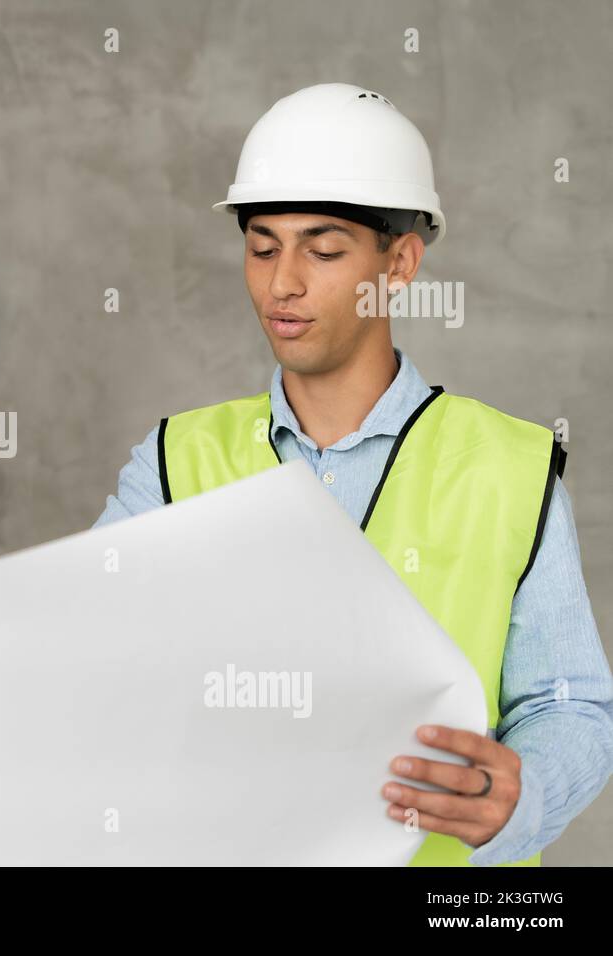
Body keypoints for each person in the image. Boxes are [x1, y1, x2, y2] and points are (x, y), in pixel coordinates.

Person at [95, 83, 613, 866]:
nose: (282, 284)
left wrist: (525, 792)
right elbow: (89, 659)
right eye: (262, 247)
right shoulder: (173, 463)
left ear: (400, 262)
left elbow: (566, 703)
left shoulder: (509, 468)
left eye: (324, 250)